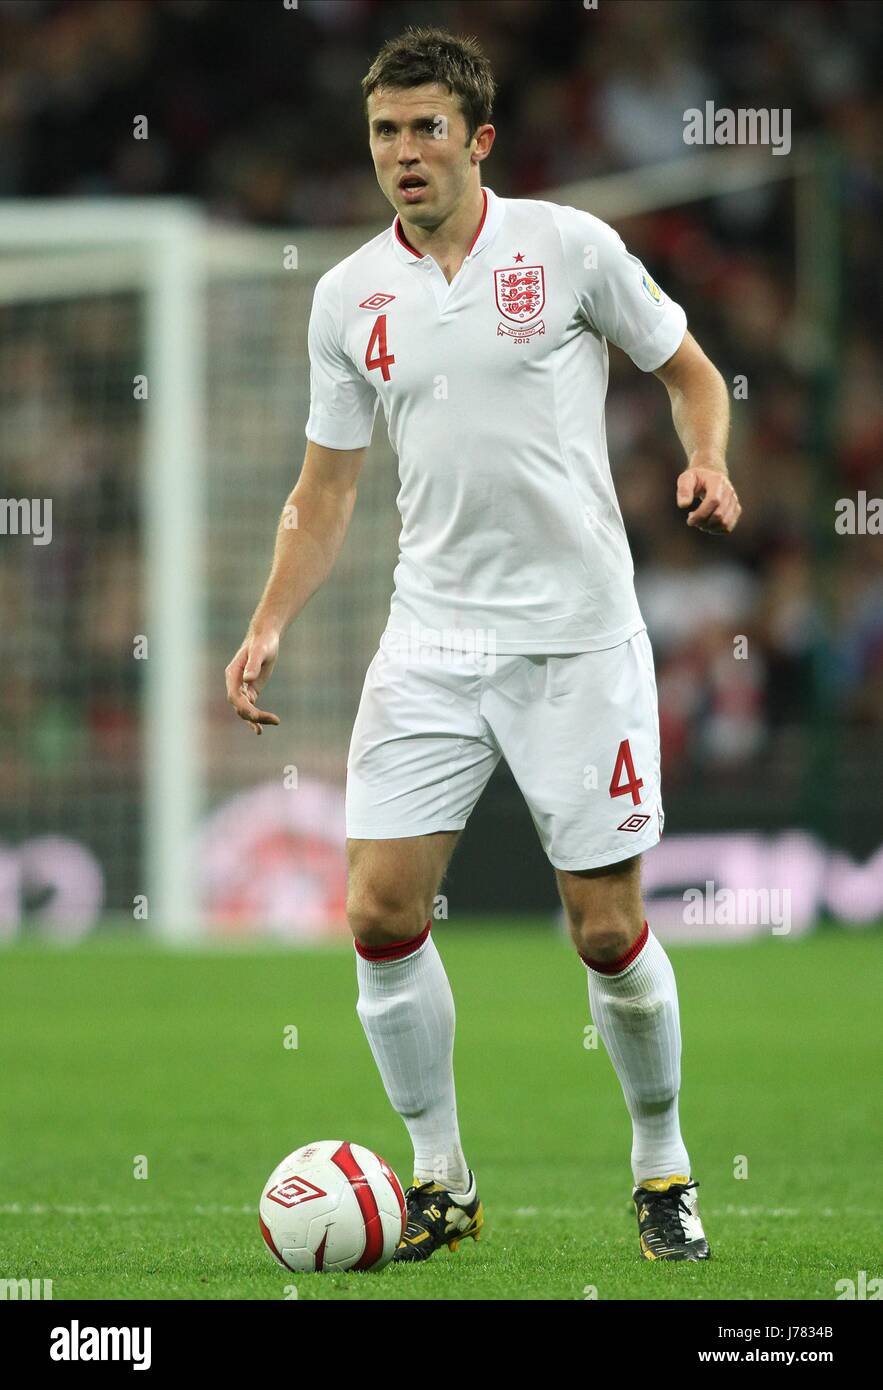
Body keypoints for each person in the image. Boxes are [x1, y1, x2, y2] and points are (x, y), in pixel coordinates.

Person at [225, 26, 741, 1265]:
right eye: (384, 132)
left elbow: (692, 372)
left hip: (575, 642)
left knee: (607, 930)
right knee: (378, 910)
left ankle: (660, 1164)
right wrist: (268, 620)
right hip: (430, 641)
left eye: (425, 129)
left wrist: (707, 457)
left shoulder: (567, 248)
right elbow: (327, 489)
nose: (403, 152)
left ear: (478, 138)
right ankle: (441, 1178)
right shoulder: (347, 298)